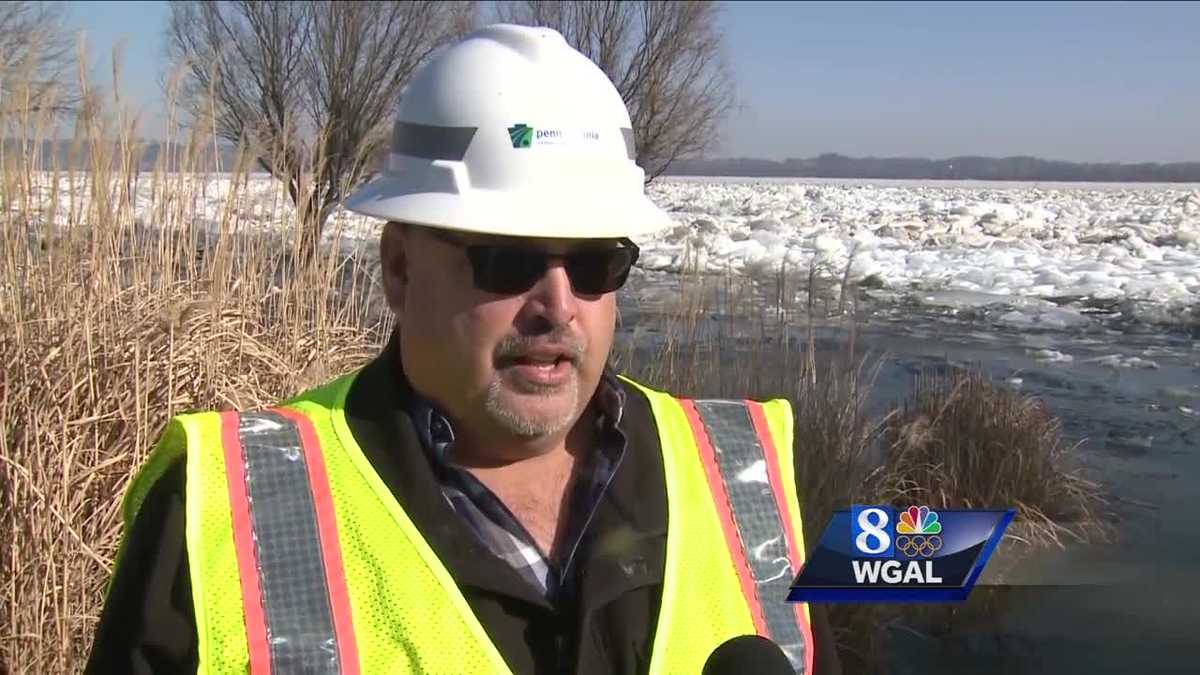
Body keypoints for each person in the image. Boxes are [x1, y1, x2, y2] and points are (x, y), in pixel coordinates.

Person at [86, 24, 840, 675]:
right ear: (400, 267)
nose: (557, 304)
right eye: (505, 259)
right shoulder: (238, 508)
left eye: (594, 261)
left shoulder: (740, 477)